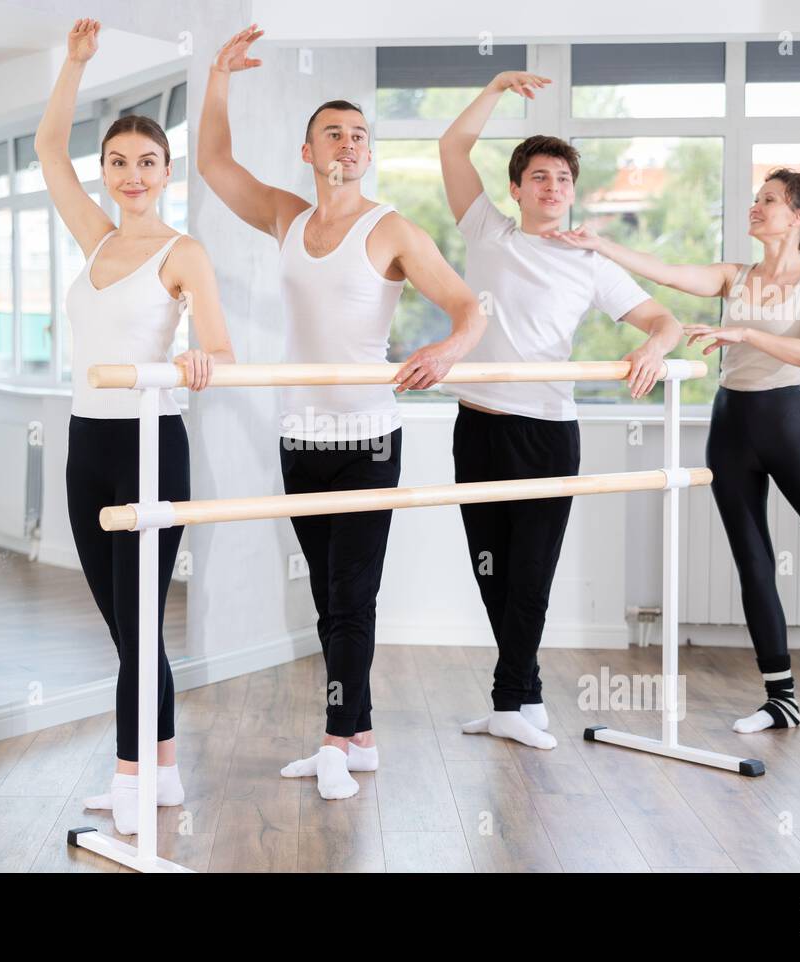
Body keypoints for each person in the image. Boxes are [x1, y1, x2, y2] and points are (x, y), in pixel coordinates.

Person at [551, 167, 800, 735]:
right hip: (730, 423)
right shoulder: (733, 276)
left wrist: (748, 335)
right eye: (755, 198)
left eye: (769, 200)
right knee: (753, 561)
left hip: (785, 421)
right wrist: (600, 244)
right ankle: (780, 697)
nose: (755, 207)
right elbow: (665, 271)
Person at [199, 25, 487, 800]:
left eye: (361, 135)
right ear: (309, 151)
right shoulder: (288, 218)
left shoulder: (389, 227)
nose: (350, 143)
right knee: (329, 599)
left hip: (367, 437)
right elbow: (214, 165)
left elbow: (468, 308)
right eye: (335, 132)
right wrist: (219, 76)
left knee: (352, 596)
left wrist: (447, 351)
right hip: (301, 436)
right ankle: (358, 735)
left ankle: (332, 741)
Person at [439, 71, 683, 749]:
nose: (552, 188)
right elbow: (452, 150)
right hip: (478, 424)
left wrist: (656, 349)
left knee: (531, 575)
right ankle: (524, 694)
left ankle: (509, 699)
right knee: (490, 567)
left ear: (573, 193)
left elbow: (666, 320)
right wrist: (489, 88)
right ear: (516, 188)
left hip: (546, 432)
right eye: (539, 177)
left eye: (563, 180)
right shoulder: (487, 230)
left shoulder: (591, 261)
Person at [37, 19, 236, 835]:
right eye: (116, 162)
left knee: (141, 621)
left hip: (153, 447)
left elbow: (217, 344)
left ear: (165, 170)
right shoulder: (95, 240)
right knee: (126, 628)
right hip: (88, 445)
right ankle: (165, 771)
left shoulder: (182, 251)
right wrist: (75, 63)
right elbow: (50, 149)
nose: (130, 174)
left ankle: (130, 785)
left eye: (145, 162)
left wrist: (196, 355)